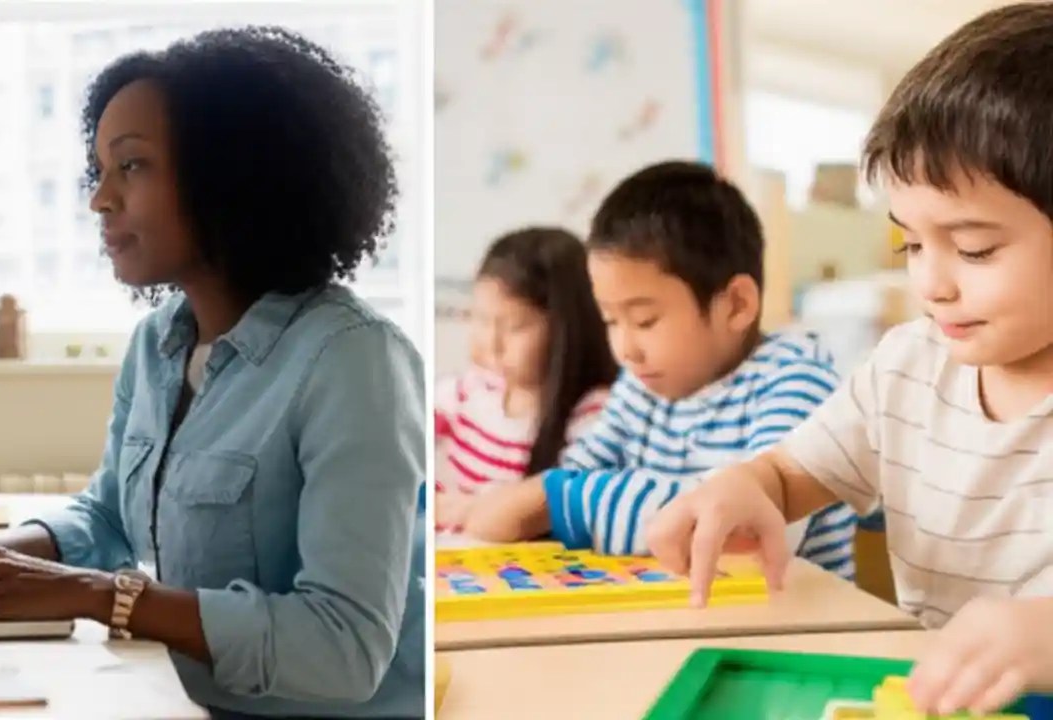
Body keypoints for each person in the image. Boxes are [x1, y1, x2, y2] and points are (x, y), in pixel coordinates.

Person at [0, 27, 424, 719]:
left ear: (232, 175)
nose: (100, 199)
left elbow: (343, 649)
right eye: (99, 171)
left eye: (131, 166)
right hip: (173, 698)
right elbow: (109, 515)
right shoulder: (158, 340)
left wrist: (98, 594)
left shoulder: (354, 361)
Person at [644, 4, 1053, 715]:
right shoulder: (906, 369)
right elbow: (793, 471)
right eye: (912, 245)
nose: (932, 282)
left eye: (976, 248)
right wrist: (749, 485)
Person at [462, 162, 856, 578]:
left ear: (736, 305)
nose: (625, 349)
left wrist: (564, 501)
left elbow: (748, 520)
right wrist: (550, 497)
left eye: (645, 321)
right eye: (611, 322)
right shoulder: (640, 387)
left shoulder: (796, 380)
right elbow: (571, 476)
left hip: (793, 623)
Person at [435, 227, 616, 532]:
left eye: (514, 326)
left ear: (564, 330)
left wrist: (469, 510)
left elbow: (571, 508)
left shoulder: (594, 416)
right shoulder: (472, 390)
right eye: (480, 319)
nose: (492, 342)